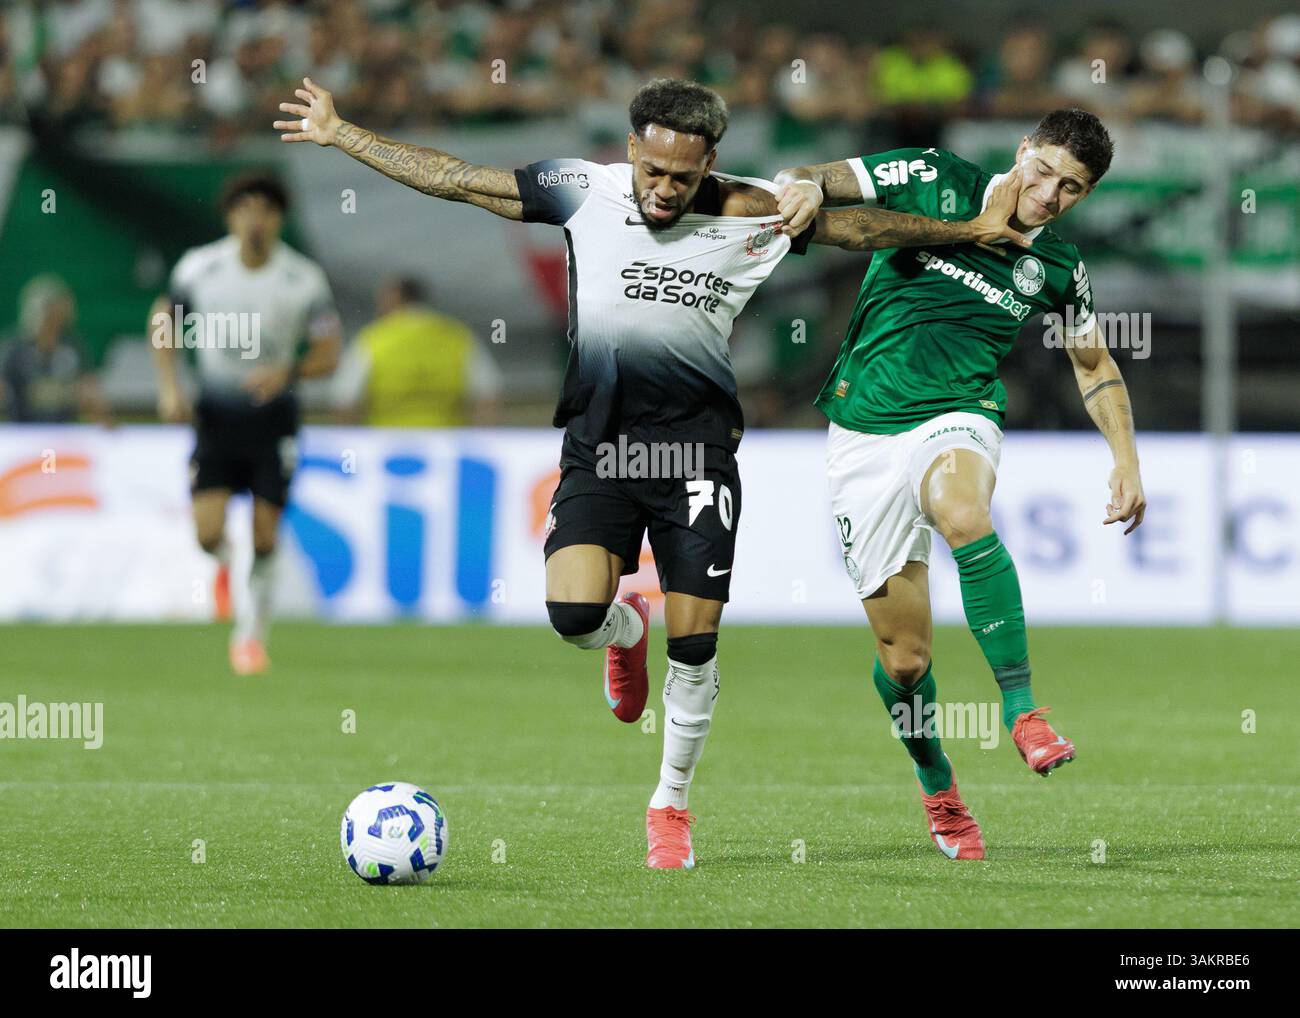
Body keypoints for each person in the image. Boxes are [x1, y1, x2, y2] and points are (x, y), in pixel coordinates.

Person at [274, 75, 1027, 870]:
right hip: (599, 449)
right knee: (572, 615)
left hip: (697, 455)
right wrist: (341, 132)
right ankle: (623, 631)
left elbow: (863, 231)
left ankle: (670, 805)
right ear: (632, 148)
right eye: (654, 171)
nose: (666, 190)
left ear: (710, 163)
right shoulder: (581, 191)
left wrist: (966, 230)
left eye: (684, 176)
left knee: (696, 644)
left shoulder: (752, 208)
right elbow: (459, 179)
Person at [774, 108, 1147, 860]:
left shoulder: (1060, 268)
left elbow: (1093, 365)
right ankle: (939, 787)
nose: (1048, 194)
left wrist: (1127, 460)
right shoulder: (937, 178)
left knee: (963, 511)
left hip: (958, 413)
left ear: (1085, 195)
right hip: (863, 431)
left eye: (1070, 188)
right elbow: (818, 178)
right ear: (1021, 152)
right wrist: (803, 190)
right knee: (905, 662)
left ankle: (1024, 711)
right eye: (1042, 171)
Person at [150, 171, 341, 676]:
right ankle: (229, 566)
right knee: (207, 534)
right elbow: (162, 321)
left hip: (272, 419)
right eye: (245, 209)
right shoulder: (200, 268)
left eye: (266, 210)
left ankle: (250, 636)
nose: (255, 220)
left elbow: (329, 352)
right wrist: (170, 386)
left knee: (265, 535)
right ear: (230, 216)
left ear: (279, 218)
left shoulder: (302, 279)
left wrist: (290, 370)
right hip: (215, 413)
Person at [332, 276, 502, 427]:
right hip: (447, 445)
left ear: (396, 298)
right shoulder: (458, 337)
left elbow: (344, 399)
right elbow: (488, 395)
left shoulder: (372, 339)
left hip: (388, 447)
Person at [1, 275, 110, 425]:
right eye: (47, 309)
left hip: (62, 432)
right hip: (23, 432)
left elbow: (91, 391)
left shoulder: (73, 346)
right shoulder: (14, 348)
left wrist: (95, 407)